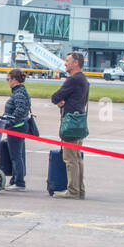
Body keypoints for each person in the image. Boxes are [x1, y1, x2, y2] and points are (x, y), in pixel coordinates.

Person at [50, 51, 89, 199]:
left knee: (70, 158)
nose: (65, 64)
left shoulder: (73, 80)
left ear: (76, 63)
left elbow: (55, 97)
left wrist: (60, 102)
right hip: (79, 121)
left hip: (70, 123)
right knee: (77, 158)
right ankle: (79, 190)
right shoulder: (83, 80)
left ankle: (72, 191)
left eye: (68, 61)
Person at [0, 68, 32, 191]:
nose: (7, 82)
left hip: (17, 128)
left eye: (8, 79)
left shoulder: (19, 93)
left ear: (14, 80)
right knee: (17, 154)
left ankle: (19, 182)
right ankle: (16, 179)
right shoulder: (19, 92)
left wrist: (9, 122)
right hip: (17, 127)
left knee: (16, 155)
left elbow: (20, 111)